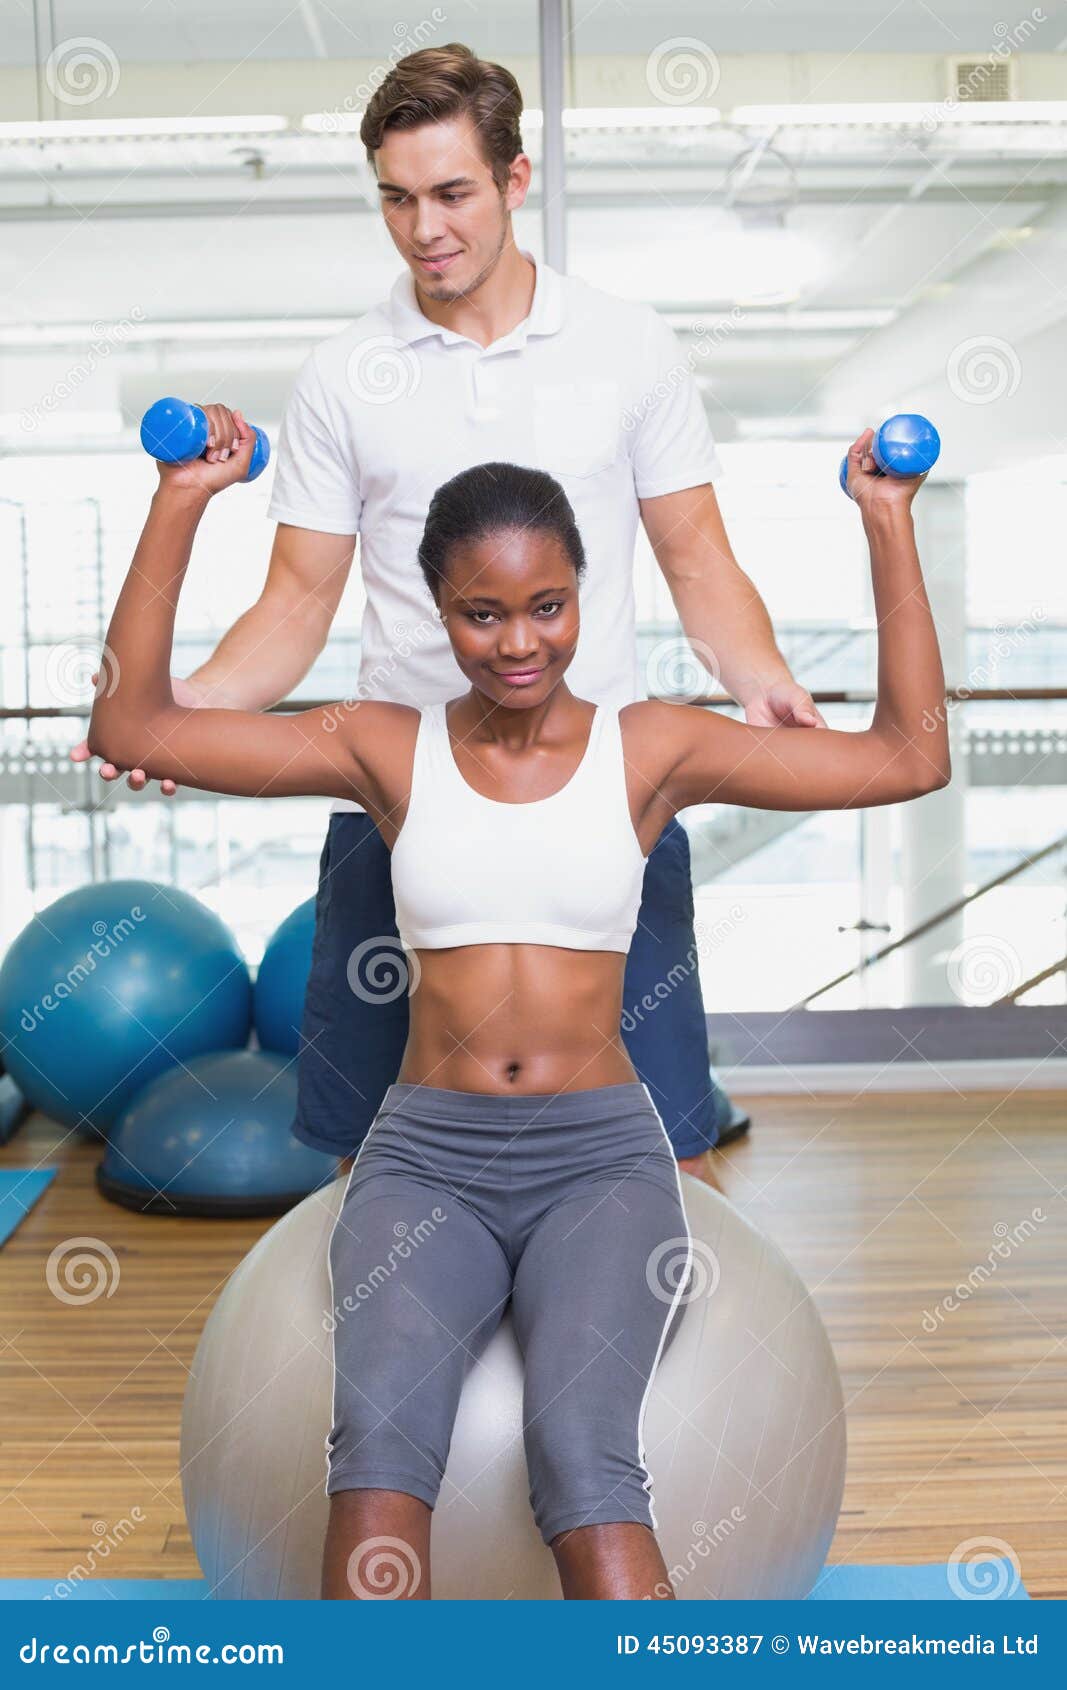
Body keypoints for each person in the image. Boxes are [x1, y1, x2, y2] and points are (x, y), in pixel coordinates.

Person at [87, 425, 948, 1600]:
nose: (519, 642)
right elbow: (134, 728)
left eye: (546, 606)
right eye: (481, 613)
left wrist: (886, 521)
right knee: (375, 1465)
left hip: (597, 1157)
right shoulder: (384, 747)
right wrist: (182, 496)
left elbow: (905, 758)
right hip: (424, 1159)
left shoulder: (650, 747)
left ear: (579, 592)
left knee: (582, 1464)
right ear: (436, 611)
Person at [71, 42, 828, 1179]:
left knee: (660, 1151)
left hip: (603, 802)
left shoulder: (628, 346)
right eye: (396, 198)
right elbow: (298, 599)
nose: (423, 228)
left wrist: (760, 679)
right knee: (365, 1153)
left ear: (515, 180)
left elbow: (697, 559)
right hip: (400, 803)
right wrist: (191, 708)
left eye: (451, 194)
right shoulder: (343, 372)